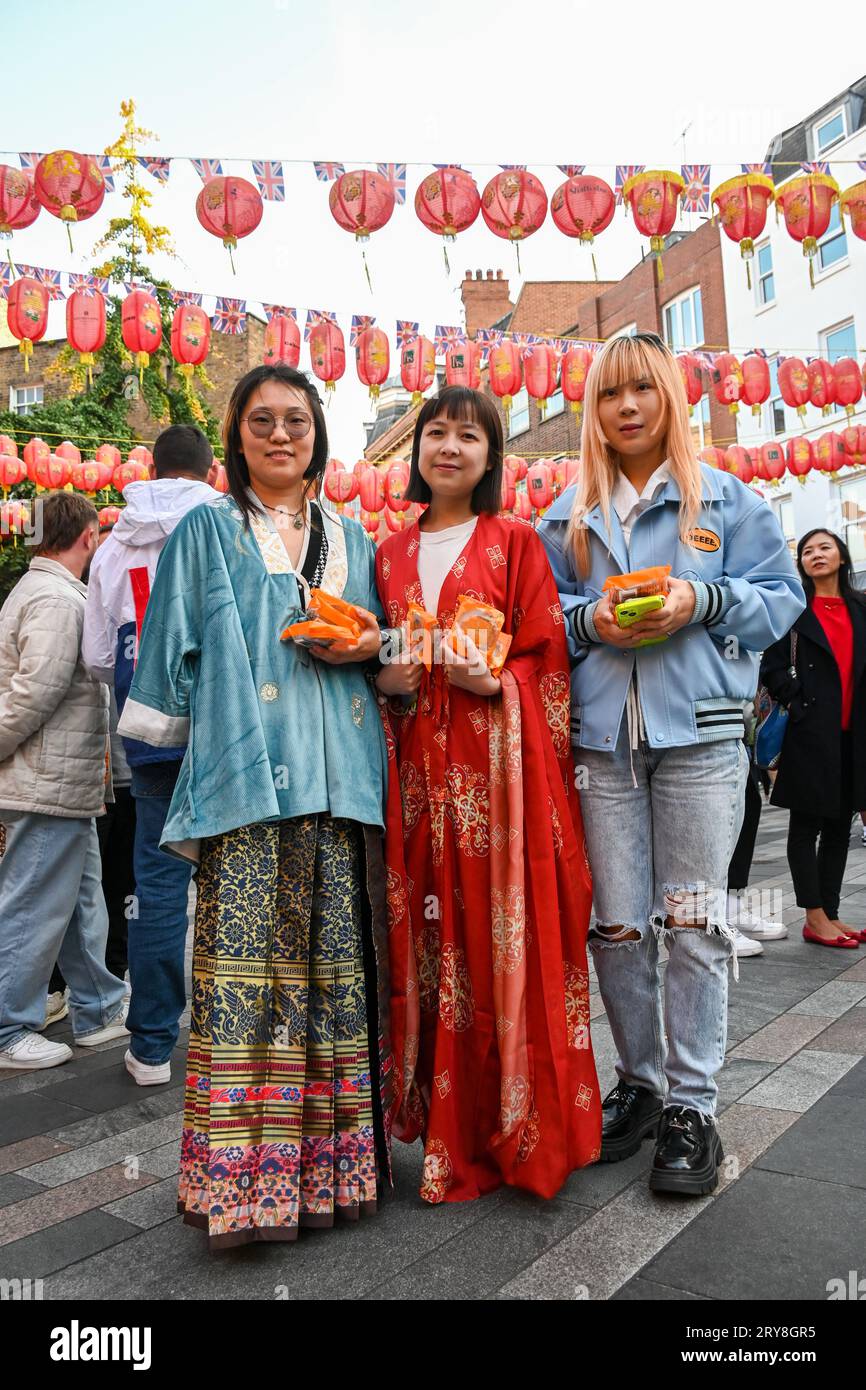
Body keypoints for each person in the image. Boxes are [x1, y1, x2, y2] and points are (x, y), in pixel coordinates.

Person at [118, 365, 395, 1248]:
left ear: (319, 435)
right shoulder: (207, 529)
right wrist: (164, 759)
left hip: (341, 782)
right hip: (246, 786)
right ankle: (243, 1189)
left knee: (331, 983)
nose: (281, 434)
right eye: (262, 421)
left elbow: (383, 664)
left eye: (297, 420)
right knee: (245, 987)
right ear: (236, 437)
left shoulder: (352, 534)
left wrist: (384, 644)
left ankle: (330, 1176)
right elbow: (167, 649)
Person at [538, 332, 804, 1197]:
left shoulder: (724, 501)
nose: (625, 408)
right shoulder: (565, 515)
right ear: (594, 410)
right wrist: (590, 625)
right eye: (610, 394)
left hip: (702, 740)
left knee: (692, 922)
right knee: (615, 926)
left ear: (667, 399)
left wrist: (701, 598)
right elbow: (546, 618)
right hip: (600, 746)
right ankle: (642, 1084)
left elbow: (779, 598)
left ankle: (694, 1104)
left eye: (641, 391)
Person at [374, 385, 601, 1206]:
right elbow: (384, 658)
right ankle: (448, 1135)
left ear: (491, 457)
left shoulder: (516, 543)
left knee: (496, 945)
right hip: (416, 785)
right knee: (431, 952)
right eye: (436, 432)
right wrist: (390, 680)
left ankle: (520, 1136)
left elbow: (547, 663)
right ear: (417, 452)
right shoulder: (389, 554)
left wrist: (498, 681)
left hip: (496, 788)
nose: (449, 447)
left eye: (469, 436)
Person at [83, 425, 221, 1085]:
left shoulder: (114, 546)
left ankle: (152, 1046)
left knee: (158, 887)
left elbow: (98, 657)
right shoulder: (227, 524)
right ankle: (240, 1034)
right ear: (209, 469)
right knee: (238, 878)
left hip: (148, 731)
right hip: (227, 727)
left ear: (152, 468)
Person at [0, 491, 129, 1069]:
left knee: (79, 905)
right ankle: (9, 1026)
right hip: (45, 782)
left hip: (65, 783)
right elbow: (35, 693)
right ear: (88, 537)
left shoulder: (47, 591)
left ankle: (98, 1006)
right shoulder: (57, 598)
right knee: (33, 905)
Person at [760, 529, 866, 949]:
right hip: (810, 732)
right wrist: (799, 706)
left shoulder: (861, 607)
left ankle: (832, 913)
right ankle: (814, 915)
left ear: (841, 556)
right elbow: (770, 667)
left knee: (841, 824)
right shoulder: (793, 609)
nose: (816, 555)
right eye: (807, 550)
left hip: (854, 734)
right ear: (800, 563)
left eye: (825, 548)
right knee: (806, 825)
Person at [725, 705, 788, 957]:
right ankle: (713, 915)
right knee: (725, 811)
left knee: (749, 803)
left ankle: (731, 905)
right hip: (703, 718)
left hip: (735, 724)